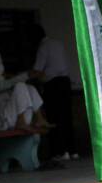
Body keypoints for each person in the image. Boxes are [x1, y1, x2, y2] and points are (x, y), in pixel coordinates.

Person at [0, 36, 50, 132]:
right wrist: (27, 75)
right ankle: (21, 121)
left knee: (29, 87)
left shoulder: (1, 83)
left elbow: (9, 84)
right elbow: (9, 83)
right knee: (20, 85)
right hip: (3, 122)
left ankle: (39, 118)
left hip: (13, 118)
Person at [28, 24, 75, 159]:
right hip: (65, 83)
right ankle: (72, 150)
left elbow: (37, 70)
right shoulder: (58, 43)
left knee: (55, 117)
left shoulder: (43, 47)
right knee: (66, 116)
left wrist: (25, 76)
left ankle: (60, 151)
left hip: (53, 85)